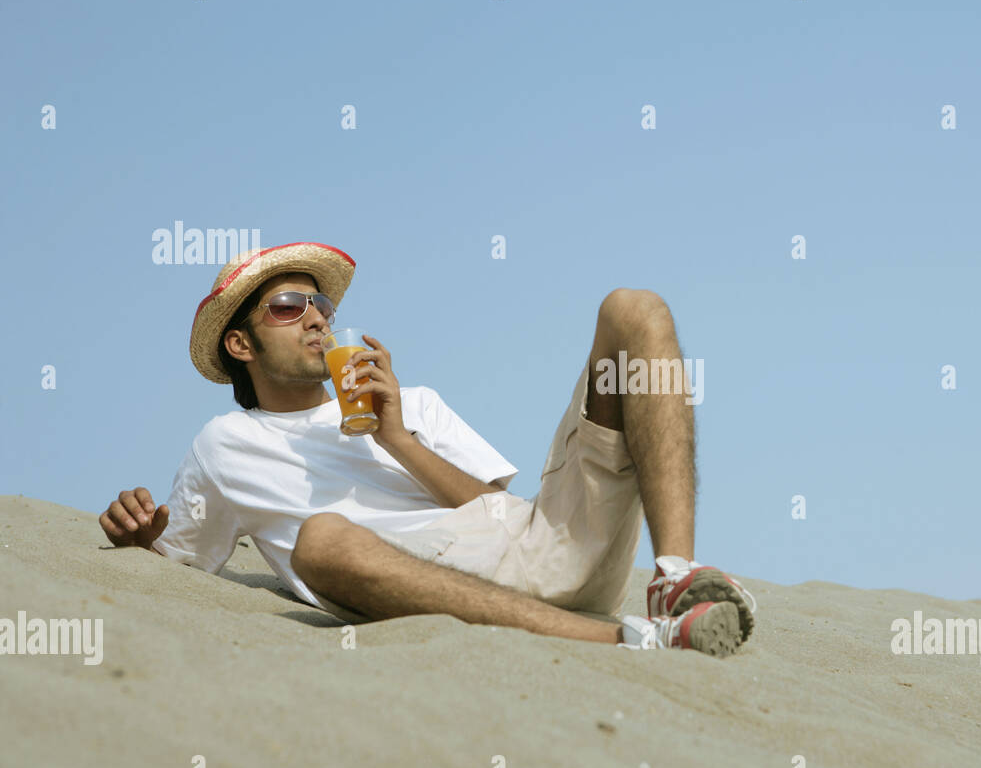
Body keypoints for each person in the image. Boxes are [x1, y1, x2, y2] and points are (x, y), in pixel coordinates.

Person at [99, 242, 756, 656]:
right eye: (288, 307)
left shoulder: (414, 402)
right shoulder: (226, 445)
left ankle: (672, 575)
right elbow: (180, 564)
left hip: (546, 543)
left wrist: (398, 437)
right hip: (424, 585)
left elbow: (496, 511)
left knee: (634, 308)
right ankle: (633, 641)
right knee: (323, 541)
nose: (317, 318)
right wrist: (140, 535)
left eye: (320, 304)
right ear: (240, 345)